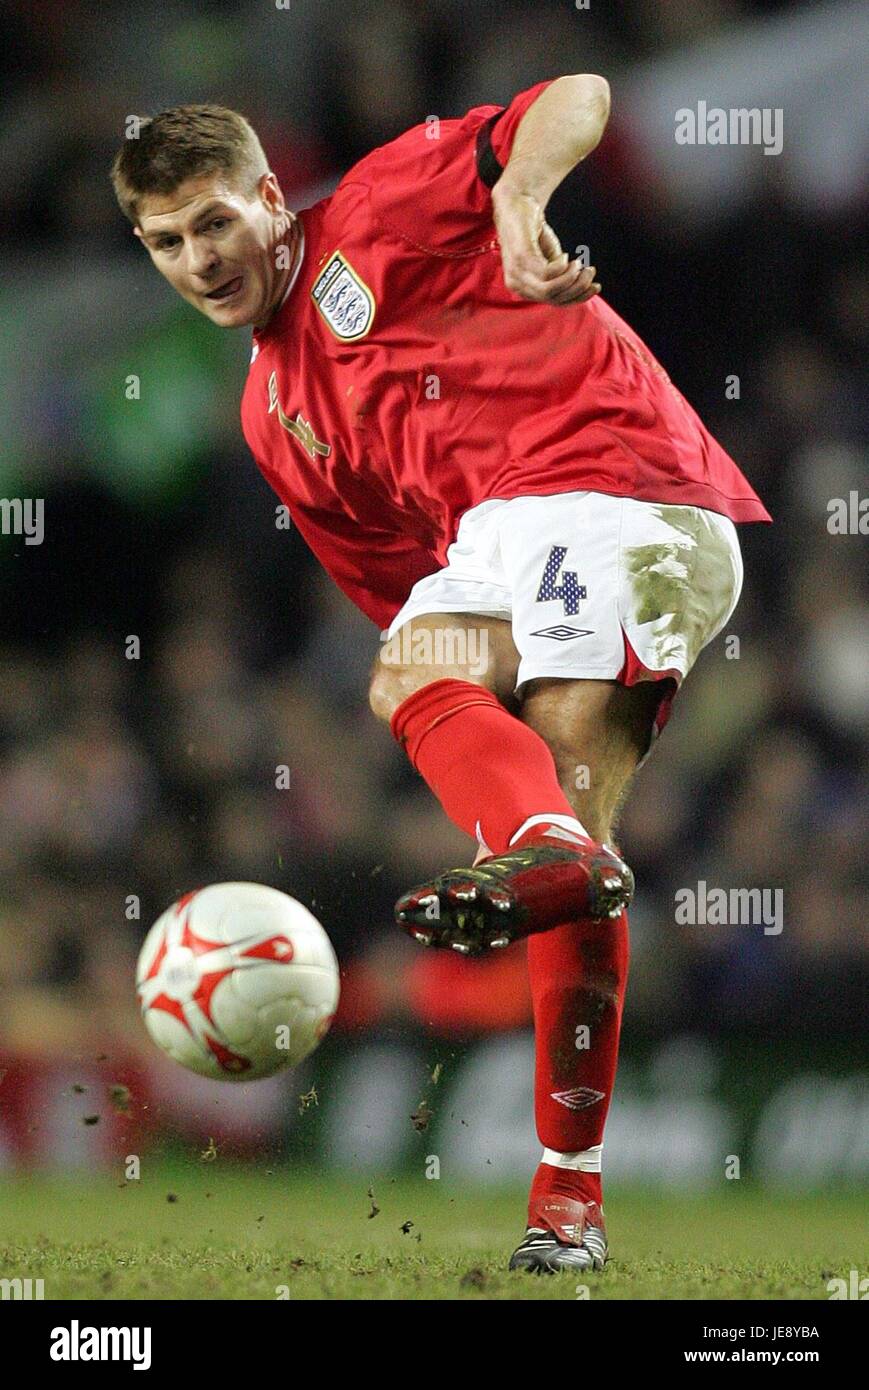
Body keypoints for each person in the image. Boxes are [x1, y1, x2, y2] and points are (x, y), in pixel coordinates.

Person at [111, 74, 770, 1273]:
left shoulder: (376, 207)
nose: (198, 259)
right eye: (165, 243)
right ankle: (564, 1203)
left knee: (531, 799)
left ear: (269, 197)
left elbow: (576, 93)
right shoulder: (273, 415)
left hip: (617, 478)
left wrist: (519, 202)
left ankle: (549, 850)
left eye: (214, 222)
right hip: (508, 546)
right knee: (485, 760)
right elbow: (410, 593)